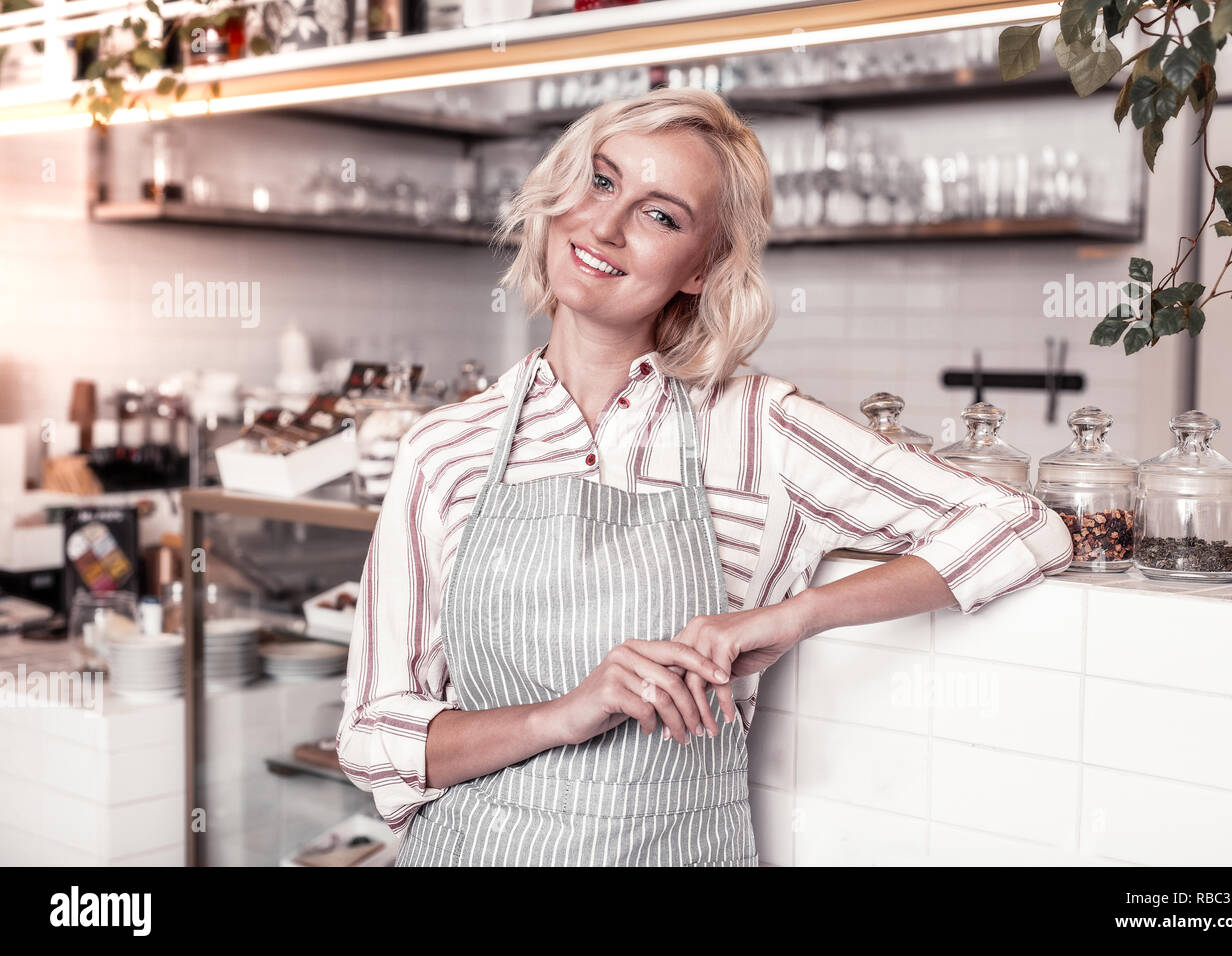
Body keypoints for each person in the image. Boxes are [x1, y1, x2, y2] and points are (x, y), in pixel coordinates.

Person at [336, 87, 1073, 867]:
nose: (606, 225)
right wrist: (563, 714)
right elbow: (375, 735)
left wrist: (793, 616)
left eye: (662, 216)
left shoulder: (760, 427)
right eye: (600, 180)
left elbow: (1024, 525)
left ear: (702, 268)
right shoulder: (446, 449)